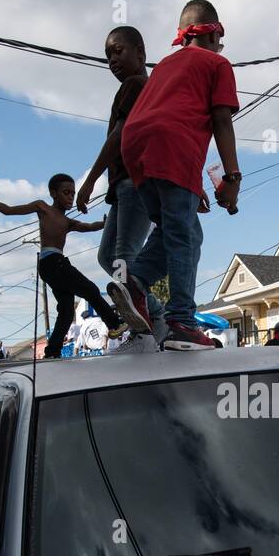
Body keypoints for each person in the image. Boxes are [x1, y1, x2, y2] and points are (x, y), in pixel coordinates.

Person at [110, 0, 241, 352]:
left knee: (179, 231)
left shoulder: (167, 64)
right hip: (171, 147)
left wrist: (190, 183)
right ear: (213, 34)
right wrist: (233, 177)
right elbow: (221, 121)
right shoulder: (216, 63)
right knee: (183, 237)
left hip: (135, 150)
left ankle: (134, 285)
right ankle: (182, 319)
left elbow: (161, 118)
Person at [78, 24, 167, 348]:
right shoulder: (137, 87)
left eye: (119, 51)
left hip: (135, 182)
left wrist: (89, 181)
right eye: (107, 56)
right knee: (107, 257)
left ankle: (151, 325)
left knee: (123, 257)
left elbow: (119, 135)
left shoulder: (135, 84)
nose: (112, 60)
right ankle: (152, 314)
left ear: (141, 54)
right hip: (123, 187)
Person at [0, 174, 129, 359]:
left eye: (73, 194)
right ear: (53, 193)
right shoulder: (43, 208)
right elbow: (9, 210)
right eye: (66, 193)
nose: (70, 198)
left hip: (54, 266)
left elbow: (89, 226)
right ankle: (114, 324)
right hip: (52, 263)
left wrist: (105, 224)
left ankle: (52, 352)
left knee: (66, 310)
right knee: (89, 289)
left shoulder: (68, 222)